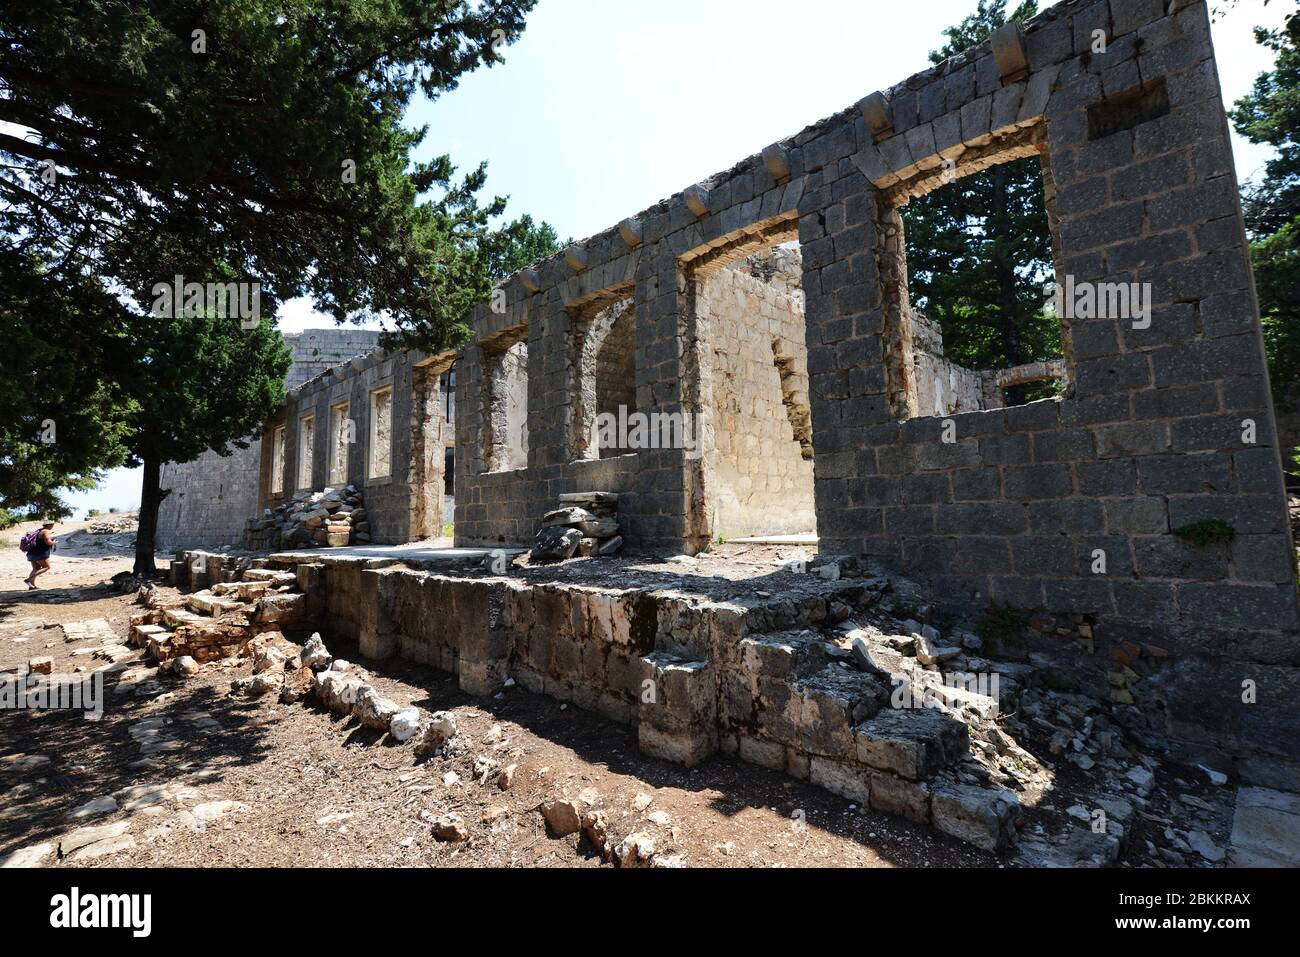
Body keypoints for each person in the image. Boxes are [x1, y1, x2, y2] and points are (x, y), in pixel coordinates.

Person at [23, 520, 56, 589]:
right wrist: (54, 542)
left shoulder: (38, 531)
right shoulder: (46, 531)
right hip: (40, 553)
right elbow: (48, 542)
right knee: (47, 567)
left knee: (36, 568)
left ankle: (32, 586)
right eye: (52, 524)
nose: (53, 525)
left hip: (32, 552)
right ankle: (28, 580)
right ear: (49, 525)